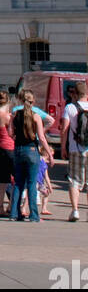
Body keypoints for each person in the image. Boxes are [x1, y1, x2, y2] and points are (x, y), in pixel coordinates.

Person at [10, 89, 52, 223]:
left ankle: (14, 213)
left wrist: (16, 135)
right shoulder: (36, 116)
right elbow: (42, 137)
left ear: (21, 100)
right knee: (32, 183)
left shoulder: (15, 114)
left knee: (18, 183)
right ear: (32, 101)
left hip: (18, 149)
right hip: (32, 149)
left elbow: (11, 133)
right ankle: (34, 215)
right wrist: (49, 154)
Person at [60, 80, 88, 222]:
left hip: (75, 148)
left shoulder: (70, 108)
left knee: (74, 180)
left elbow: (64, 129)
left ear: (74, 93)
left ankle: (75, 210)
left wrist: (63, 147)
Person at [0, 90, 15, 217]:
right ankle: (11, 205)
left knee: (3, 179)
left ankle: (0, 206)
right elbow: (11, 132)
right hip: (8, 147)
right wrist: (12, 119)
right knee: (15, 177)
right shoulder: (5, 115)